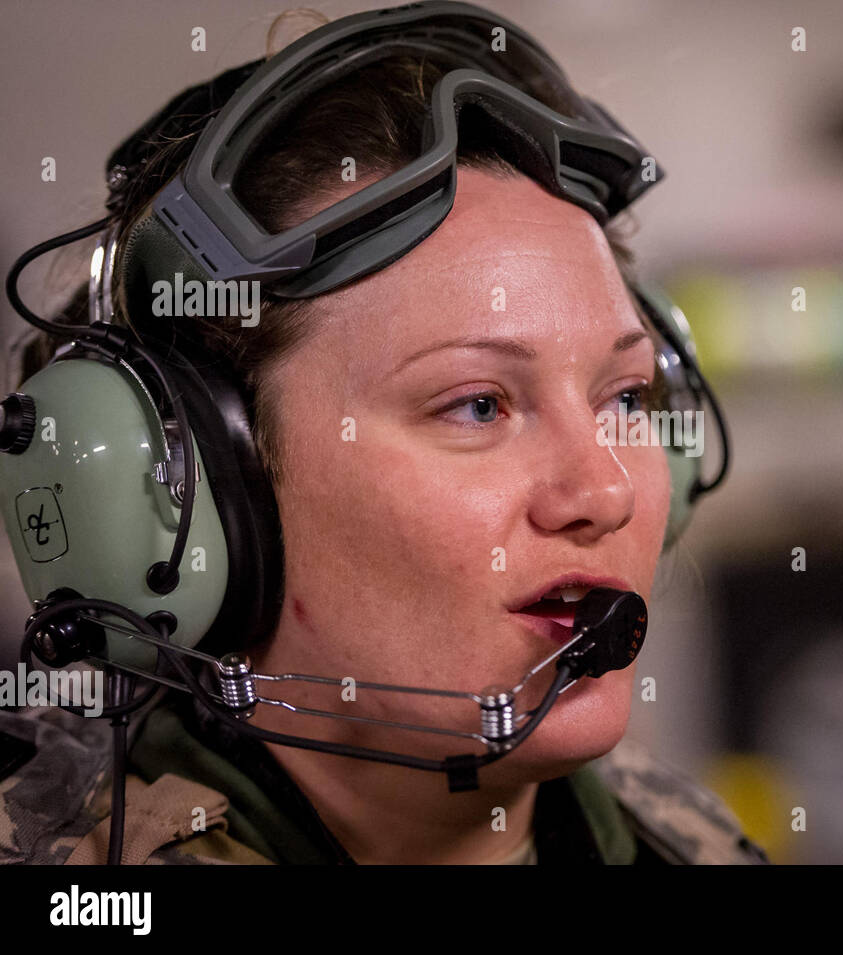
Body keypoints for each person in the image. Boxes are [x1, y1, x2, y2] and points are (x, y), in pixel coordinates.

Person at [0, 2, 768, 865]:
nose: (606, 491)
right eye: (479, 405)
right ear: (205, 499)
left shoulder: (694, 844)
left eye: (624, 397)